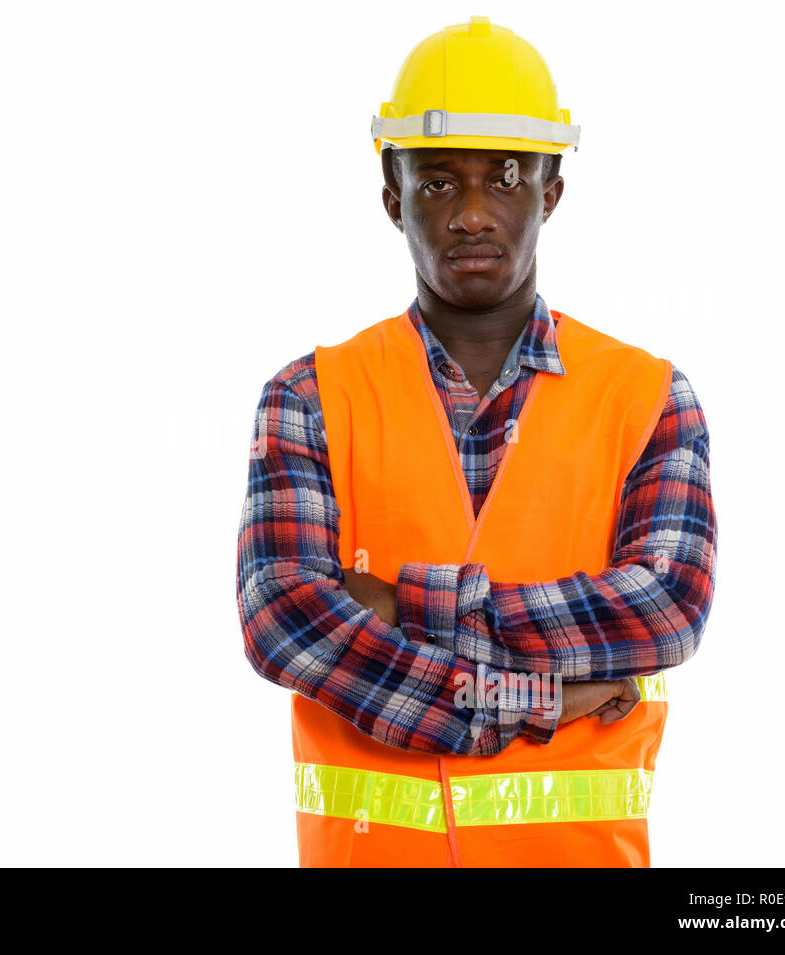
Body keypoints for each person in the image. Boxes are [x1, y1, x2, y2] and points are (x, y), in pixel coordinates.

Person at [234, 16, 717, 867]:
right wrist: (534, 696)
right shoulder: (307, 397)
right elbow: (284, 622)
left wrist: (403, 605)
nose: (468, 214)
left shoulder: (648, 397)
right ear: (393, 200)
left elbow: (666, 608)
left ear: (550, 193)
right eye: (436, 183)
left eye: (503, 177)